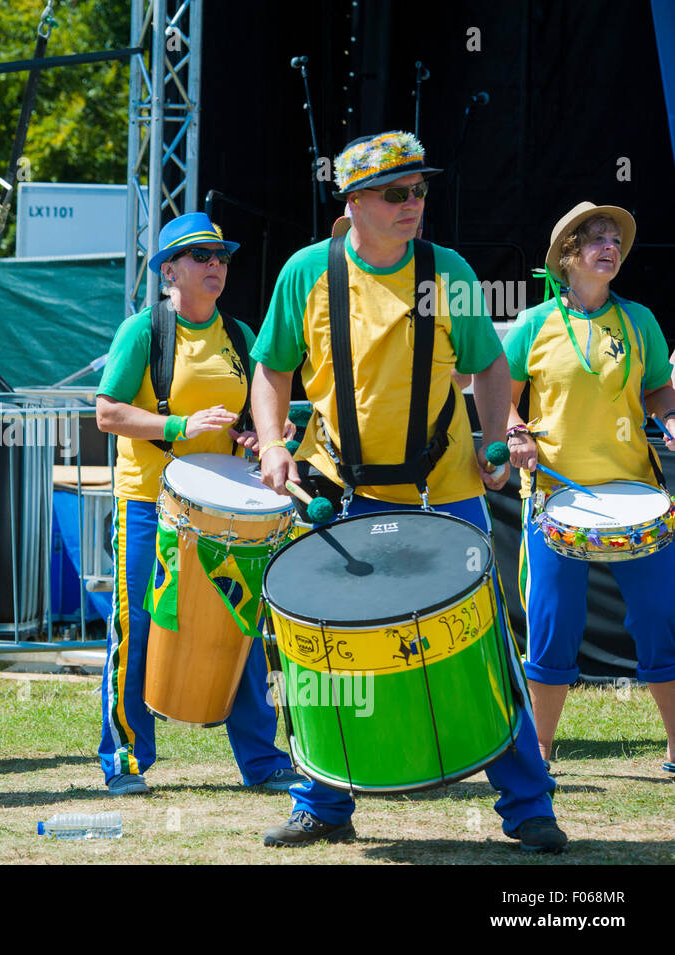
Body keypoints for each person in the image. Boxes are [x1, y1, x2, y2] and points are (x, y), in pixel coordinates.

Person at [250, 131, 565, 852]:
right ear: (353, 200)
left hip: (442, 490)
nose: (413, 203)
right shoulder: (306, 272)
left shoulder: (447, 271)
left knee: (481, 644)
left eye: (420, 190)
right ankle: (322, 801)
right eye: (396, 192)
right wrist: (271, 442)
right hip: (337, 492)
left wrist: (494, 443)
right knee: (321, 653)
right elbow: (272, 372)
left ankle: (527, 805)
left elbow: (489, 365)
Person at [94, 211, 304, 796]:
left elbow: (260, 411)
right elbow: (107, 413)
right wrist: (179, 423)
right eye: (202, 256)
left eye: (221, 256)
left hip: (229, 508)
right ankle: (126, 760)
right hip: (149, 504)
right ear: (170, 271)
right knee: (137, 627)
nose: (216, 265)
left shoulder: (240, 334)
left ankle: (262, 762)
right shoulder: (144, 331)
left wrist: (257, 436)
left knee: (245, 628)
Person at [504, 201, 675, 775]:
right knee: (553, 624)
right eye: (596, 239)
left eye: (616, 240)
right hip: (554, 498)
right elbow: (498, 391)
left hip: (635, 496)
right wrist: (513, 430)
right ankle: (540, 753)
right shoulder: (534, 323)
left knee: (660, 618)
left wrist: (671, 420)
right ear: (569, 256)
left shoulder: (641, 320)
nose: (611, 247)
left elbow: (658, 392)